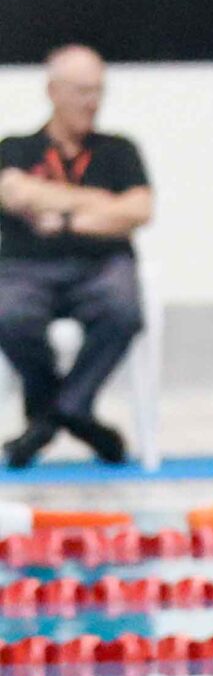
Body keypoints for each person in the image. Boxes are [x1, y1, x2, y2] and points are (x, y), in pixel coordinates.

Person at [0, 47, 152, 467]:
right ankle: (71, 410)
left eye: (98, 91)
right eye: (82, 91)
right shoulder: (16, 148)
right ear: (52, 91)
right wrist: (100, 204)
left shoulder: (119, 151)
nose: (92, 102)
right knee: (9, 313)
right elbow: (13, 191)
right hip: (25, 268)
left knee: (123, 309)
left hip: (102, 267)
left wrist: (64, 216)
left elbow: (138, 211)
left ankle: (56, 412)